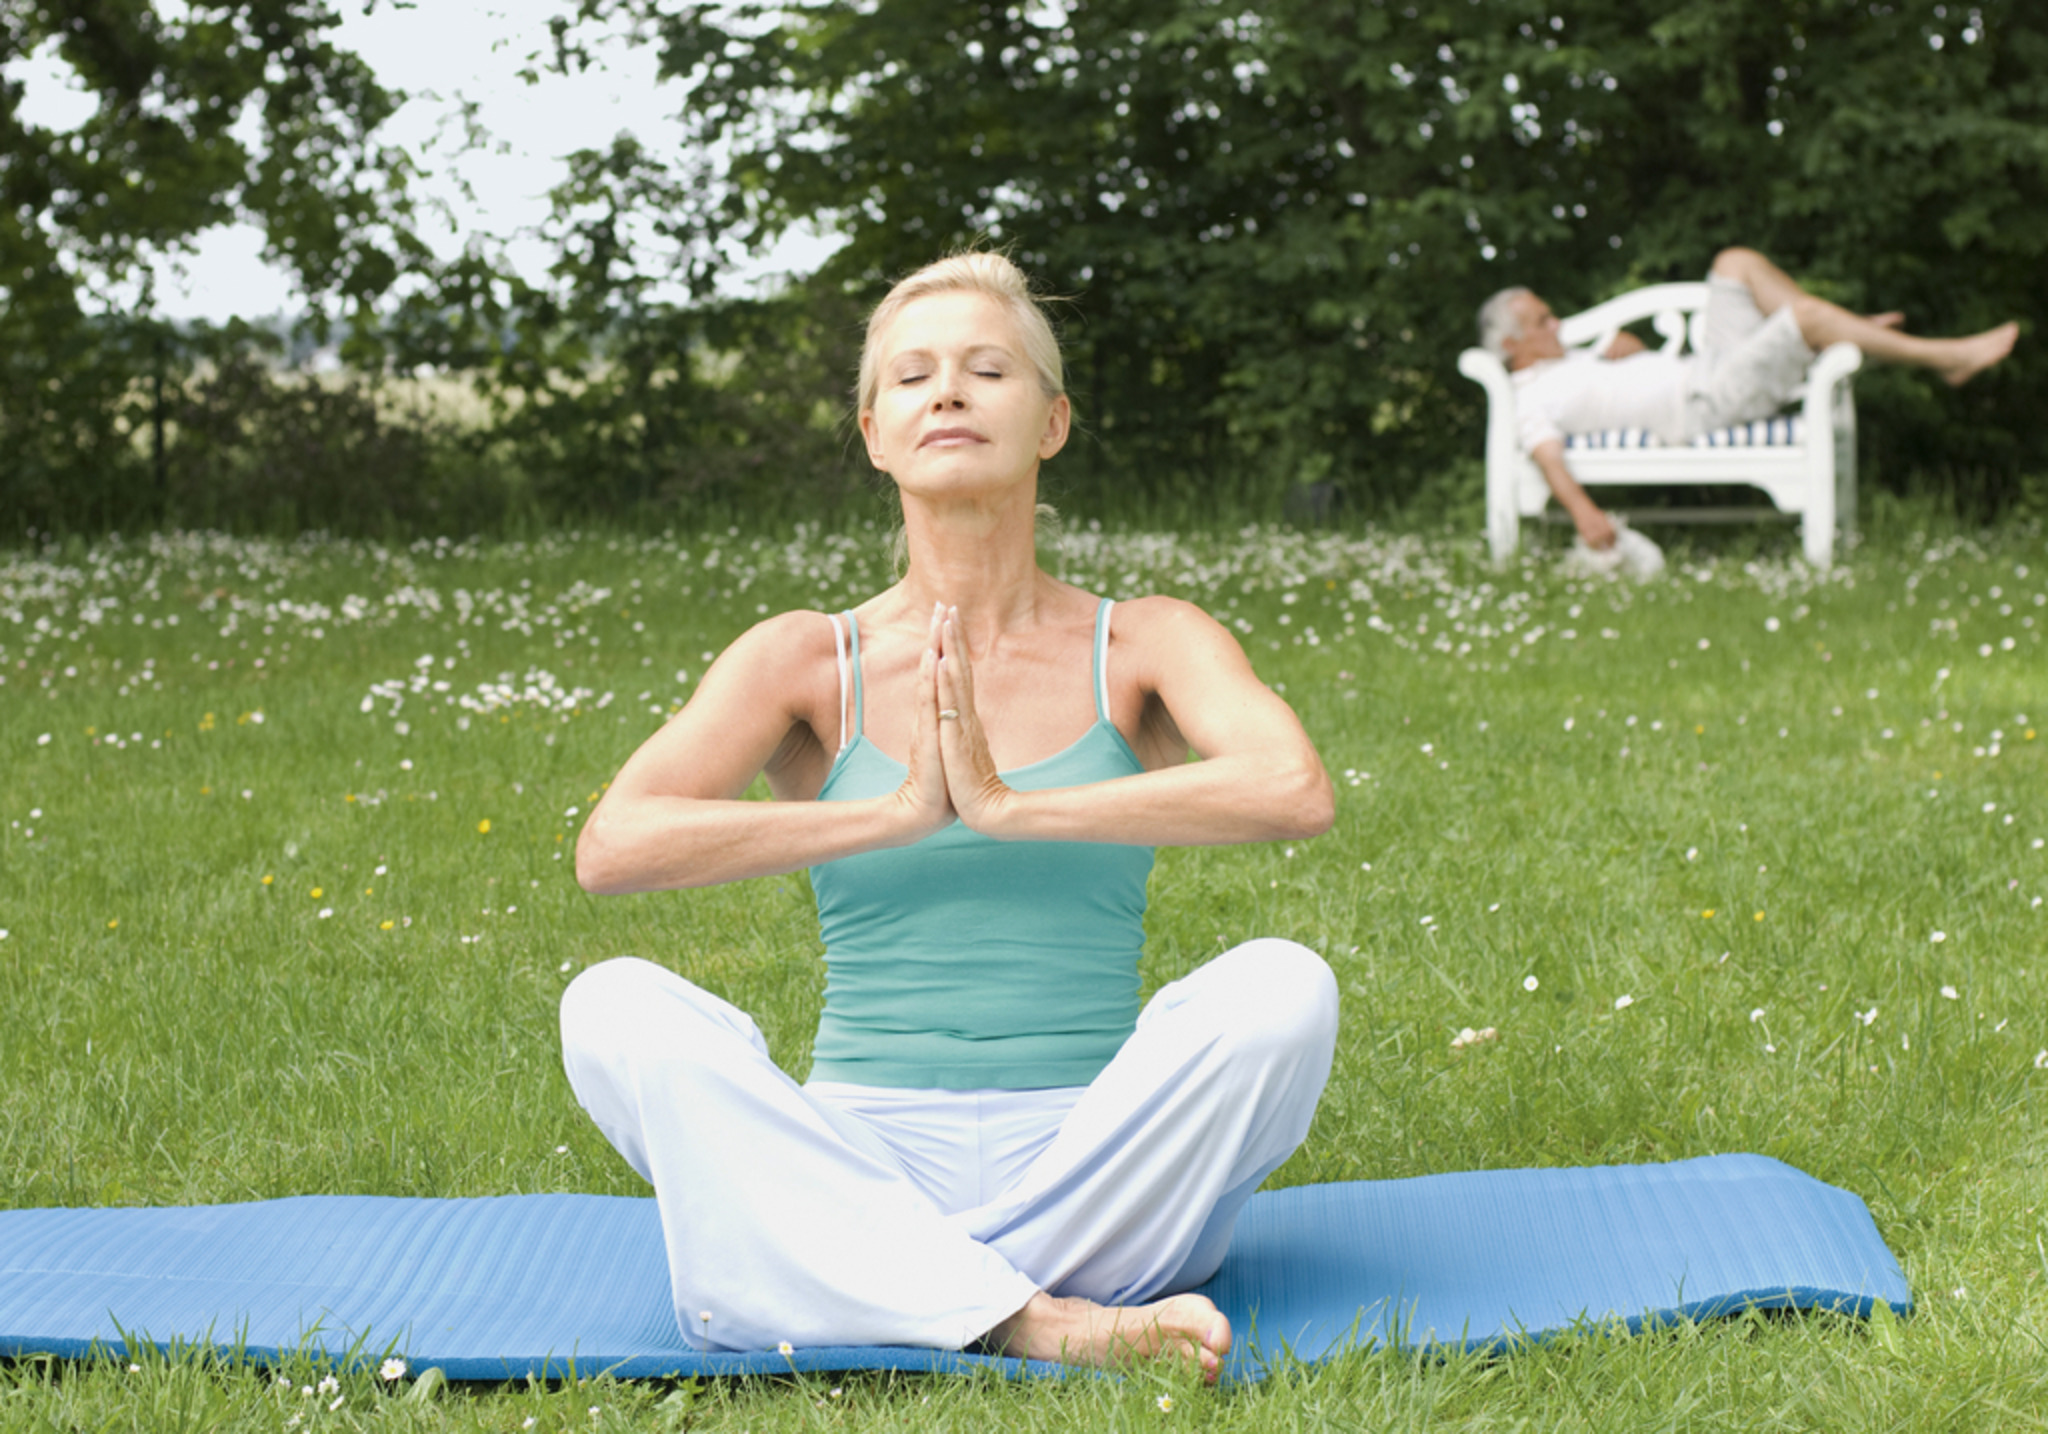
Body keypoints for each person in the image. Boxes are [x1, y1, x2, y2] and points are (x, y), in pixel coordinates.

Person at [558, 252, 1339, 1382]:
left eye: (987, 369)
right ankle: (1031, 1319)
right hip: (860, 1146)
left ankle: (855, 1283)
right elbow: (612, 848)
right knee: (611, 1004)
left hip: (1098, 1158)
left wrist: (1009, 808)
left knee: (1283, 986)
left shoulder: (1146, 641)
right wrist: (897, 815)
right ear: (876, 433)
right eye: (913, 375)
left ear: (1052, 421)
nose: (949, 392)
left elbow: (1291, 790)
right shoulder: (803, 658)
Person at [1477, 246, 2019, 561]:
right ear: (1510, 346)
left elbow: (1632, 376)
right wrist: (1585, 514)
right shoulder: (1526, 395)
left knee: (1734, 261)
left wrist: (1629, 351)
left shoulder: (1567, 355)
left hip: (1707, 367)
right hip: (1706, 401)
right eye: (1542, 322)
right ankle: (1946, 356)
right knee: (1803, 321)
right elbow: (1546, 453)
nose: (1557, 323)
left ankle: (1840, 330)